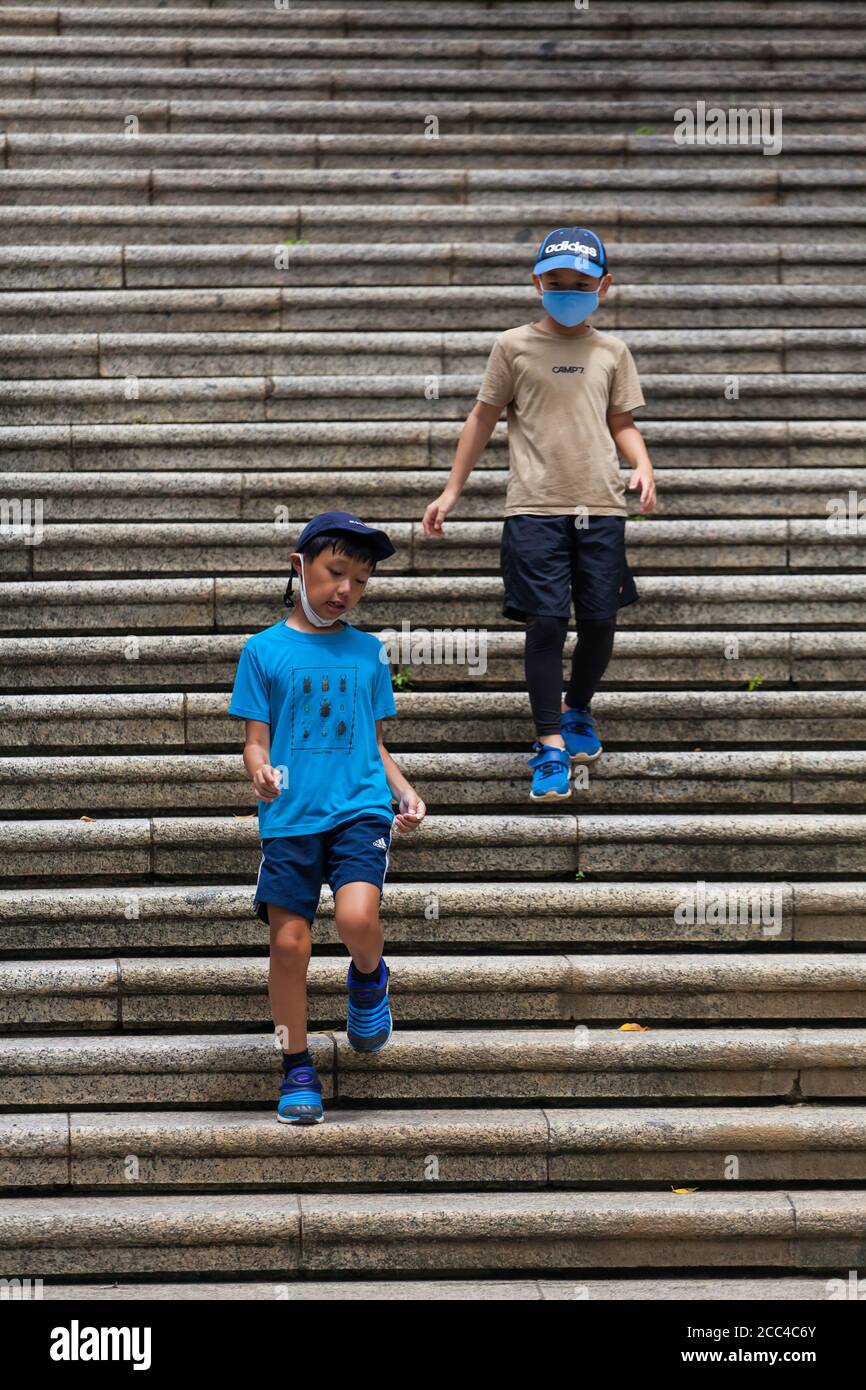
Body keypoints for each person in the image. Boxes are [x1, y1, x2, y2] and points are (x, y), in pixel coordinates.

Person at [423, 224, 656, 800]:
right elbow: (482, 418)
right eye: (557, 282)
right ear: (537, 283)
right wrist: (452, 490)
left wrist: (643, 465)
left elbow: (621, 422)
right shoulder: (513, 346)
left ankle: (578, 709)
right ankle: (549, 743)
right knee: (547, 622)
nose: (568, 290)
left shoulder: (612, 352)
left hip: (600, 507)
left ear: (603, 286)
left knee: (601, 621)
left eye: (581, 282)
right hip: (534, 509)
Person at [228, 511, 427, 1123]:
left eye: (360, 581)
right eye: (336, 572)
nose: (346, 590)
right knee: (289, 944)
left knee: (357, 917)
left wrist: (402, 788)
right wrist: (257, 769)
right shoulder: (262, 651)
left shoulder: (368, 652)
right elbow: (254, 739)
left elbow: (372, 740)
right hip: (289, 816)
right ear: (300, 566)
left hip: (357, 808)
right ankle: (296, 1066)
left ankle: (369, 978)